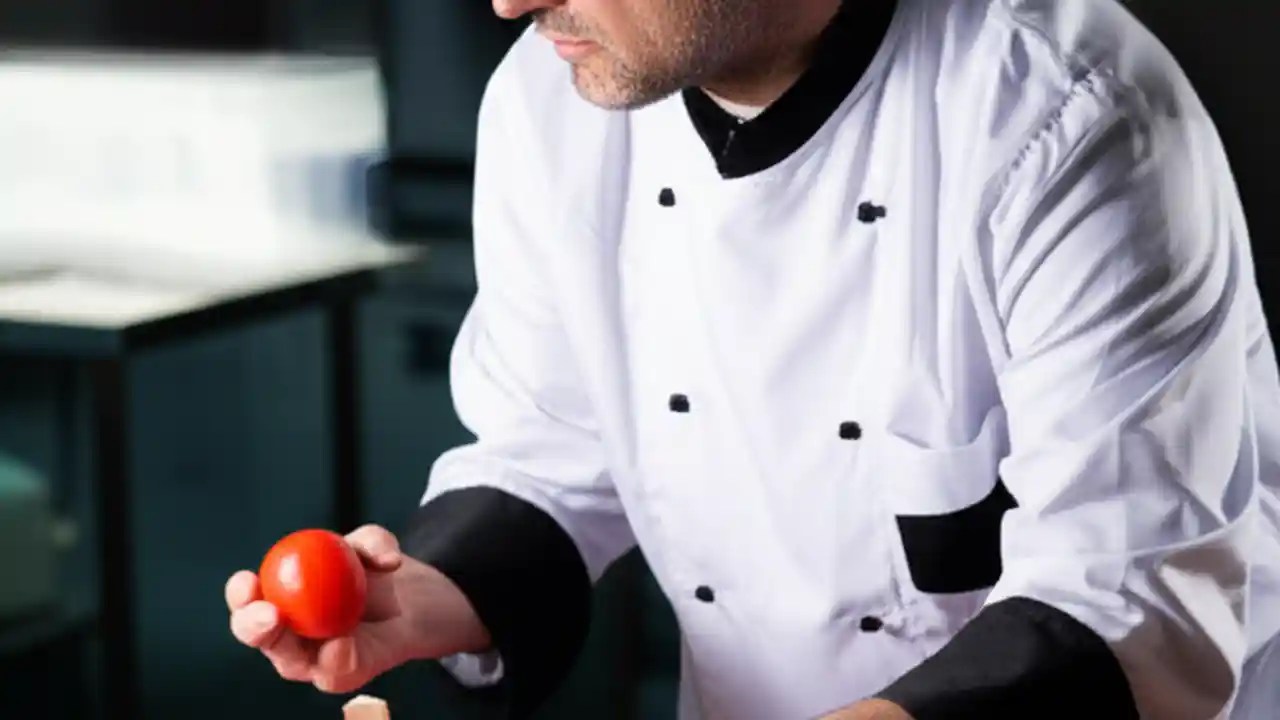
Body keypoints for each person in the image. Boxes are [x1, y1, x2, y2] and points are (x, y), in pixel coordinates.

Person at [227, 0, 1280, 717]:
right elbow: (551, 441)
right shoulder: (549, 106)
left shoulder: (1061, 115)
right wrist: (429, 589)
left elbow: (1124, 600)